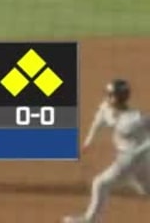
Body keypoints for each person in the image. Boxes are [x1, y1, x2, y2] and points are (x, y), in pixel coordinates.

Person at [64, 79, 150, 223]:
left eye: (111, 95)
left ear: (118, 97)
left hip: (129, 160)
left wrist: (140, 150)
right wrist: (88, 142)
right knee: (147, 190)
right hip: (138, 159)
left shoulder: (136, 118)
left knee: (100, 184)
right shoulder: (107, 109)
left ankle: (91, 220)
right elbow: (98, 121)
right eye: (108, 94)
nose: (107, 97)